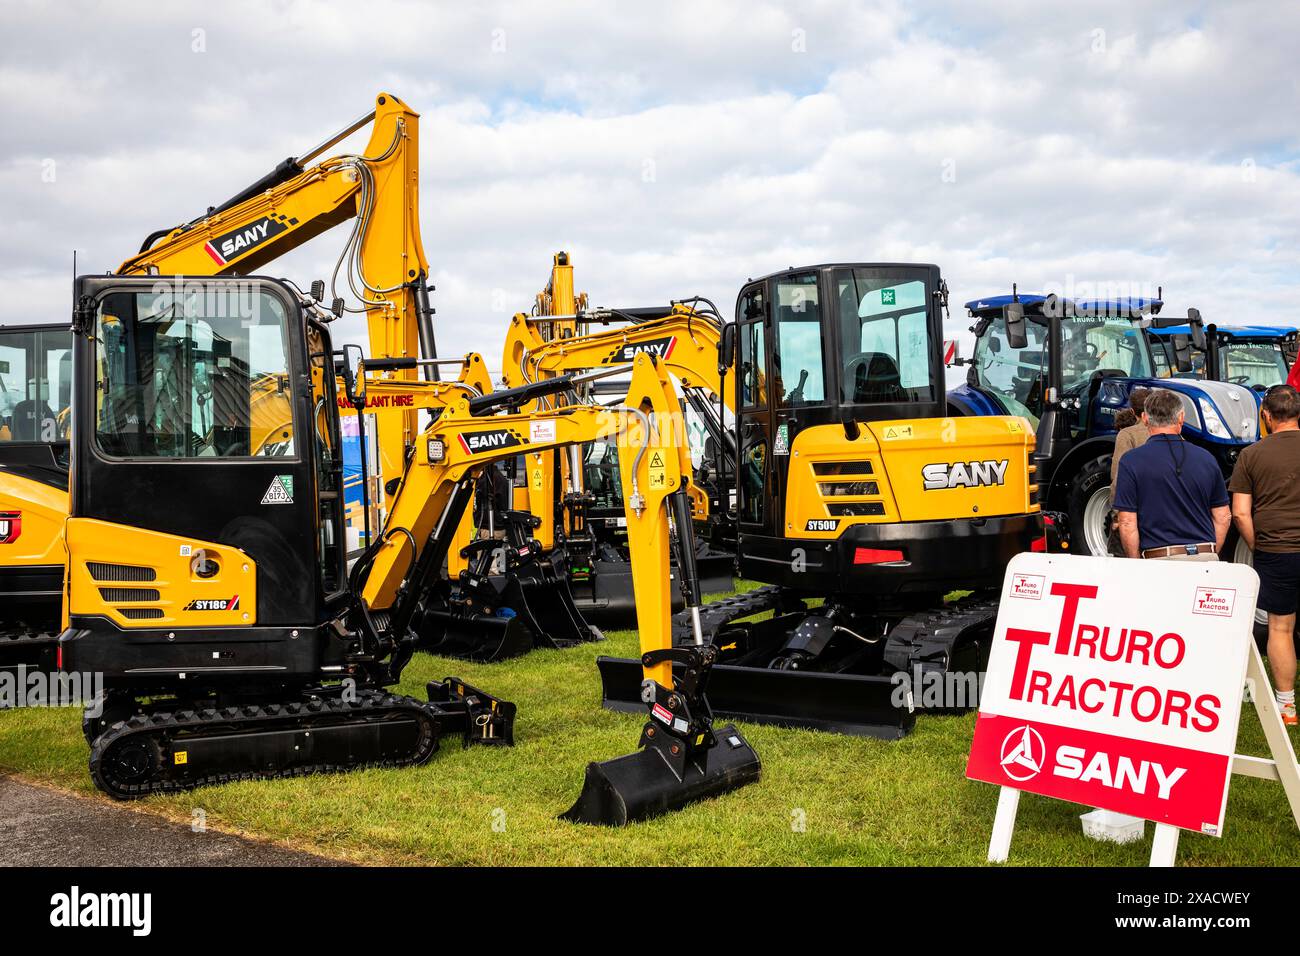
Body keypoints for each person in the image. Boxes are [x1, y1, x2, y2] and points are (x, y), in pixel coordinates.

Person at [1229, 384, 1300, 726]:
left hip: (1277, 549)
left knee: (1281, 628)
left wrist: (1259, 545)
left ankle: (1287, 707)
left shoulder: (1251, 454)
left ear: (1268, 417)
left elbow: (1240, 513)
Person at [1112, 388, 1231, 561]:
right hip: (1205, 556)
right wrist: (1211, 553)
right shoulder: (1207, 458)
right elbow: (1223, 516)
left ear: (1145, 418)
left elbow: (1127, 522)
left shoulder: (1131, 461)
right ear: (1181, 417)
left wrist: (1136, 564)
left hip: (1160, 561)